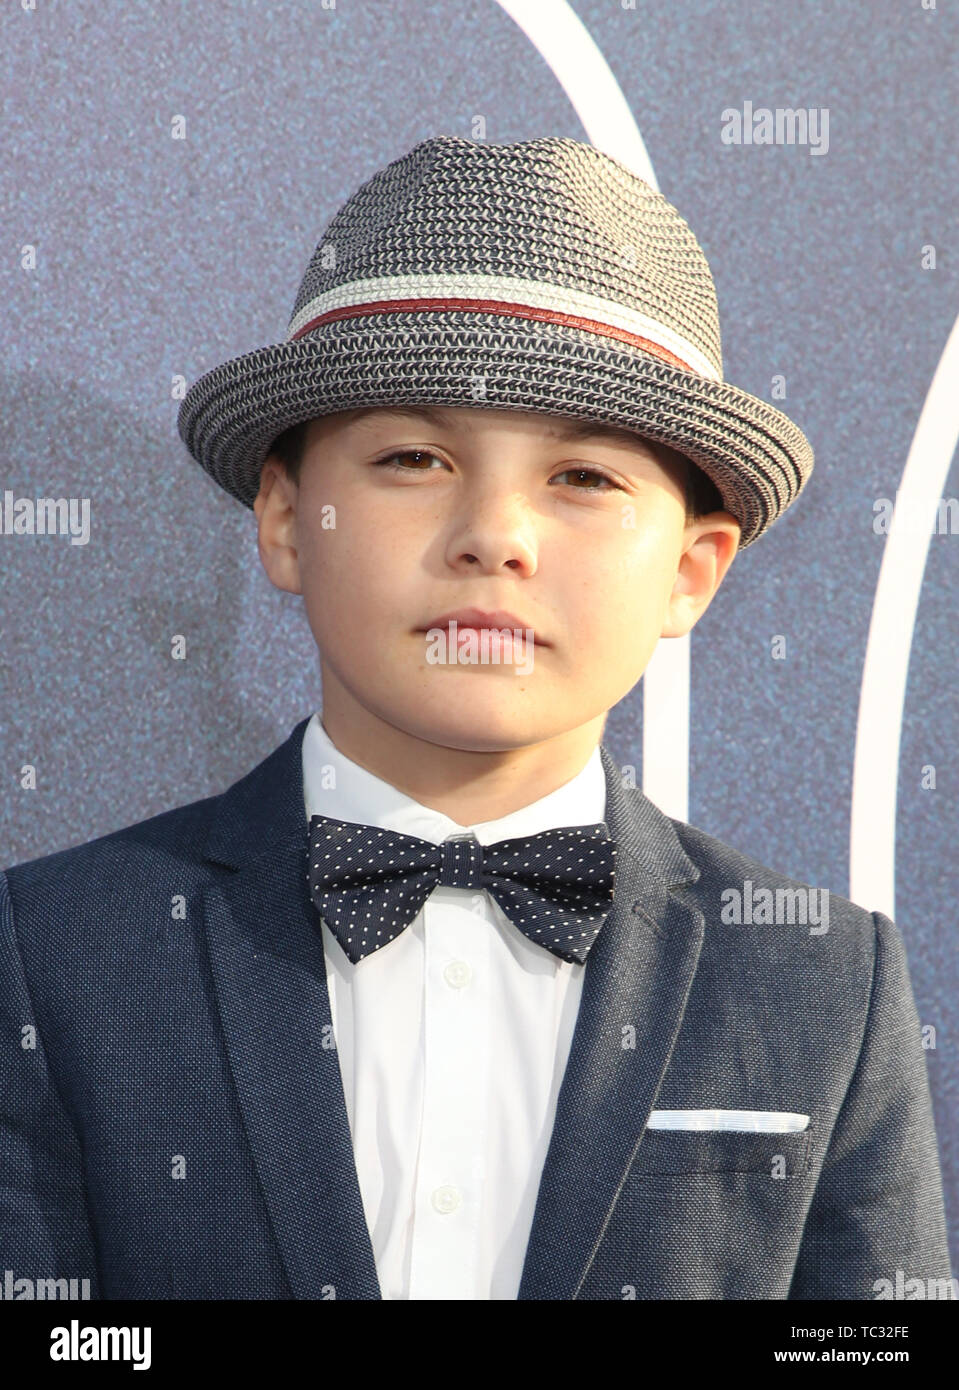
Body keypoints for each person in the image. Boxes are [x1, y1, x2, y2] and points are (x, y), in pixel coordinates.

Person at [1, 136, 951, 1301]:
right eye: (413, 456)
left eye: (583, 478)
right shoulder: (54, 952)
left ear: (691, 573)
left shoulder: (819, 982)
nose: (493, 535)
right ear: (288, 521)